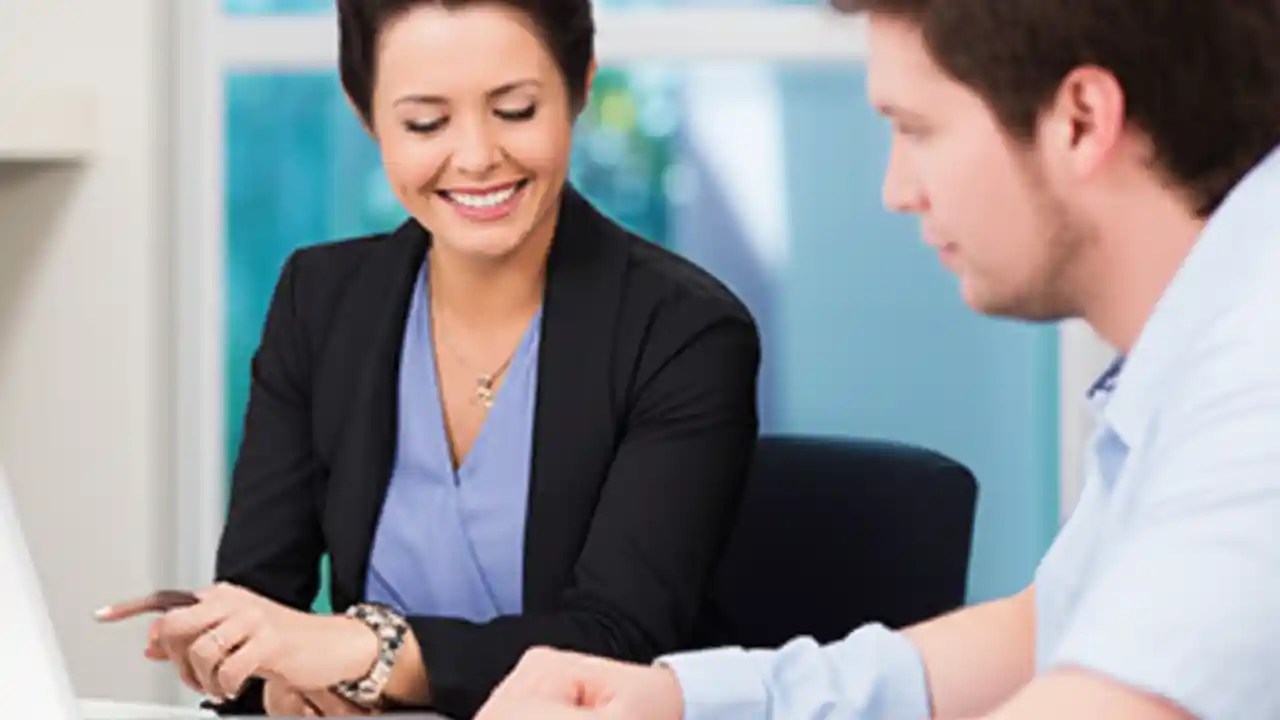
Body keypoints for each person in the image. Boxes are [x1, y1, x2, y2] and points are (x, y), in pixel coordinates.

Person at [473, 1, 1280, 719]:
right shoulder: (1215, 337)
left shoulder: (1258, 388)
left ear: (1079, 119)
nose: (897, 188)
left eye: (916, 129)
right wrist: (680, 700)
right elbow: (1051, 628)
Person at [97, 0, 760, 717]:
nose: (475, 156)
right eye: (425, 122)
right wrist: (278, 679)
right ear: (365, 113)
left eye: (514, 111)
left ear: (580, 87)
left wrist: (364, 653)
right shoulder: (319, 302)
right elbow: (263, 601)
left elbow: (615, 642)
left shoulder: (686, 332)